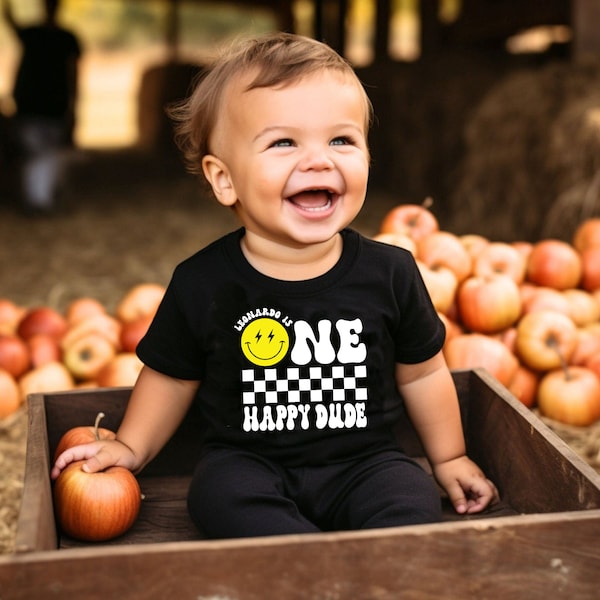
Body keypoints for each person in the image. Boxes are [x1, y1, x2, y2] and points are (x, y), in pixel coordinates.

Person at [52, 32, 498, 539]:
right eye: (284, 142)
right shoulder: (203, 282)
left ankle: (377, 565)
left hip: (365, 463)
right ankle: (294, 561)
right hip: (249, 462)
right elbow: (172, 378)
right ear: (225, 180)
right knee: (218, 495)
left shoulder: (391, 272)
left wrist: (449, 457)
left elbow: (422, 374)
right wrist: (131, 447)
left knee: (408, 496)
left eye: (341, 140)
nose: (318, 160)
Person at [3, 0, 80, 214]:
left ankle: (38, 200)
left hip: (50, 108)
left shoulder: (63, 38)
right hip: (34, 108)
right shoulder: (38, 35)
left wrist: (73, 108)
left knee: (42, 155)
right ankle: (39, 200)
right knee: (39, 154)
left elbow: (74, 74)